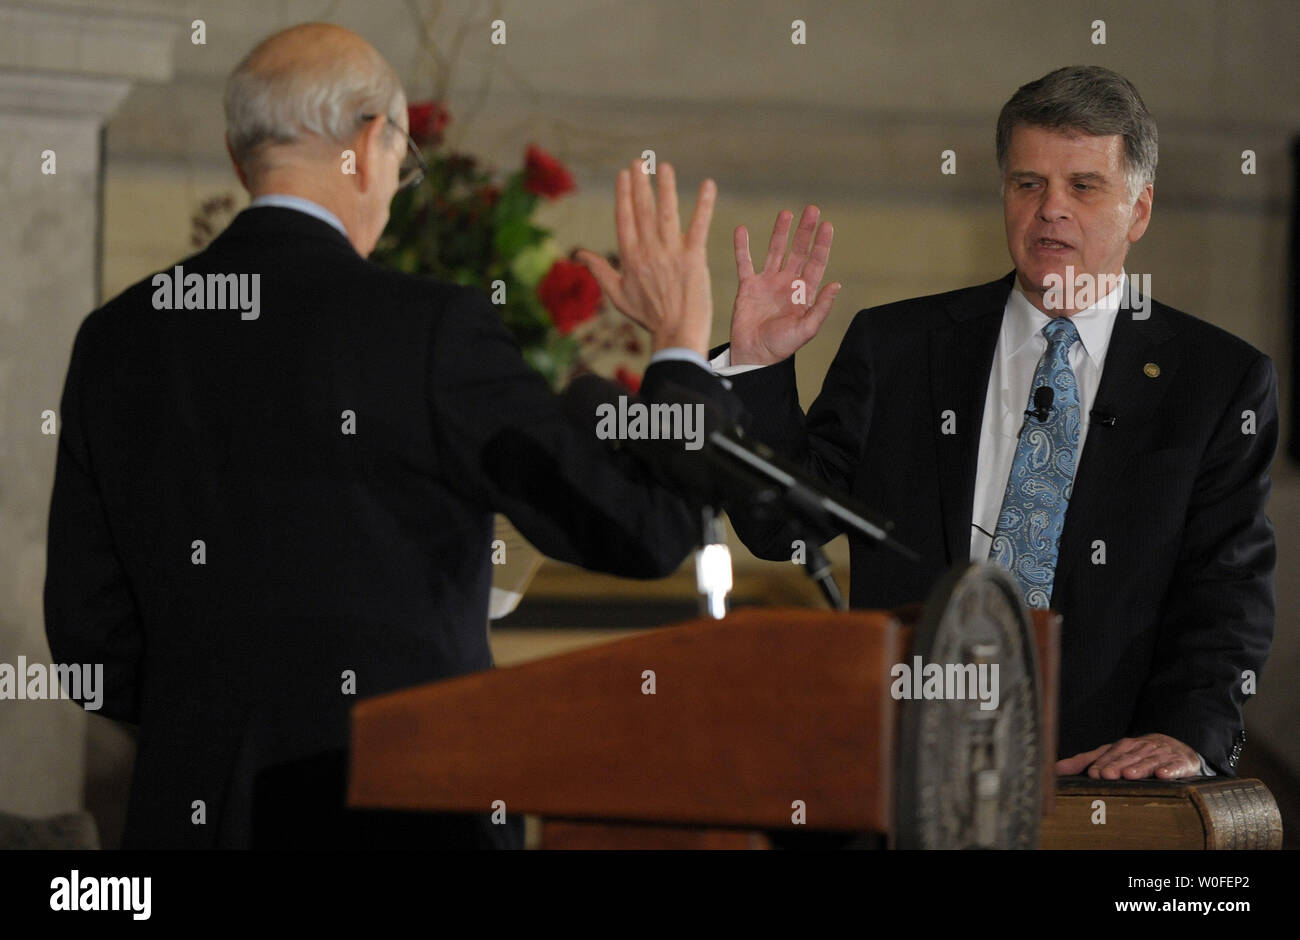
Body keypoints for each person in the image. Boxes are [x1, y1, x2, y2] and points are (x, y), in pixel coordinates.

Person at [44, 23, 734, 848]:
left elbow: (92, 638)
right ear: (372, 144)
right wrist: (682, 348)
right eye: (404, 167)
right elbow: (645, 528)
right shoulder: (432, 330)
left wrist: (219, 724)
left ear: (240, 160)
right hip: (407, 820)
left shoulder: (116, 339)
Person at [687, 65, 1277, 780]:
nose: (1050, 209)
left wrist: (1190, 736)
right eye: (1028, 183)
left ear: (1140, 210)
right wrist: (755, 367)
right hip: (908, 767)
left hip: (1102, 776)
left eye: (1083, 186)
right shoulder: (898, 348)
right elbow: (783, 528)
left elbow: (1226, 590)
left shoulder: (1216, 381)